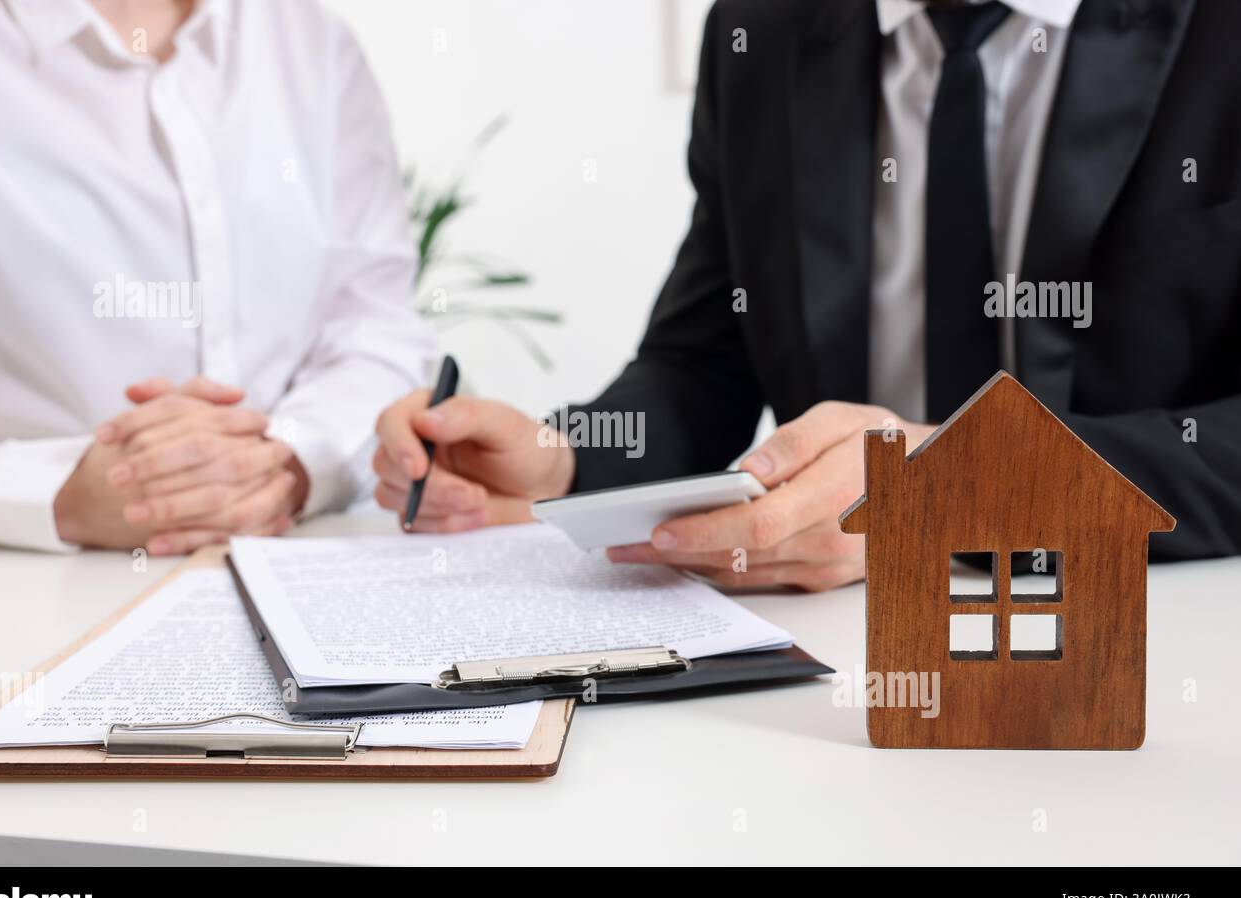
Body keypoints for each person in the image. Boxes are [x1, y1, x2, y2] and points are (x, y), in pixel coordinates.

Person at [373, 0, 1241, 590]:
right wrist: (568, 459)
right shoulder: (762, 29)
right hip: (827, 661)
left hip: (1154, 642)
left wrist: (952, 485)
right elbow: (703, 360)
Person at [0, 0, 435, 555]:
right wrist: (47, 492)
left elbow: (374, 323)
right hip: (1, 587)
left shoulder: (311, 42)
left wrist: (284, 463)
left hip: (295, 557)